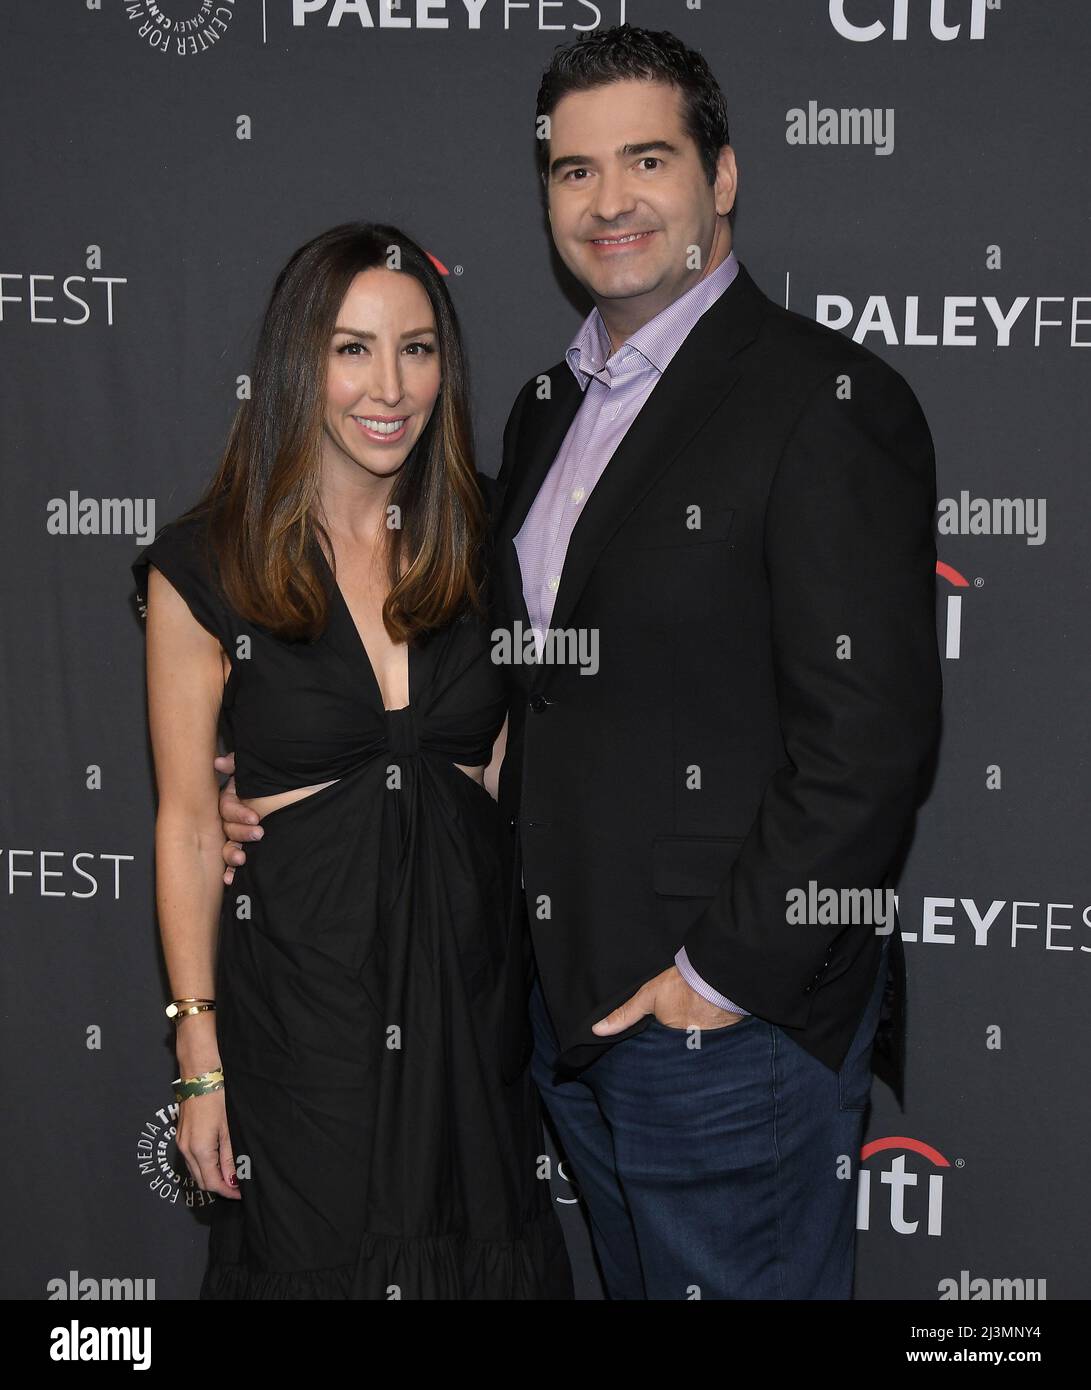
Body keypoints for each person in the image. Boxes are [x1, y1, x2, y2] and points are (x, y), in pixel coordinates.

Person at [219, 26, 942, 1300]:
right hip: (558, 1017)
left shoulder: (822, 400)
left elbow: (869, 742)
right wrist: (293, 776)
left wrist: (714, 984)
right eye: (573, 170)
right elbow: (493, 686)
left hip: (729, 1026)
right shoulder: (547, 411)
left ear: (720, 178)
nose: (608, 201)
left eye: (647, 160)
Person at [132, 221, 572, 1300]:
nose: (390, 385)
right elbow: (190, 821)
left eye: (417, 348)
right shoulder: (207, 564)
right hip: (305, 1025)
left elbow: (504, 787)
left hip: (470, 1027)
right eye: (352, 348)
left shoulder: (486, 545)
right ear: (298, 363)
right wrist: (199, 1064)